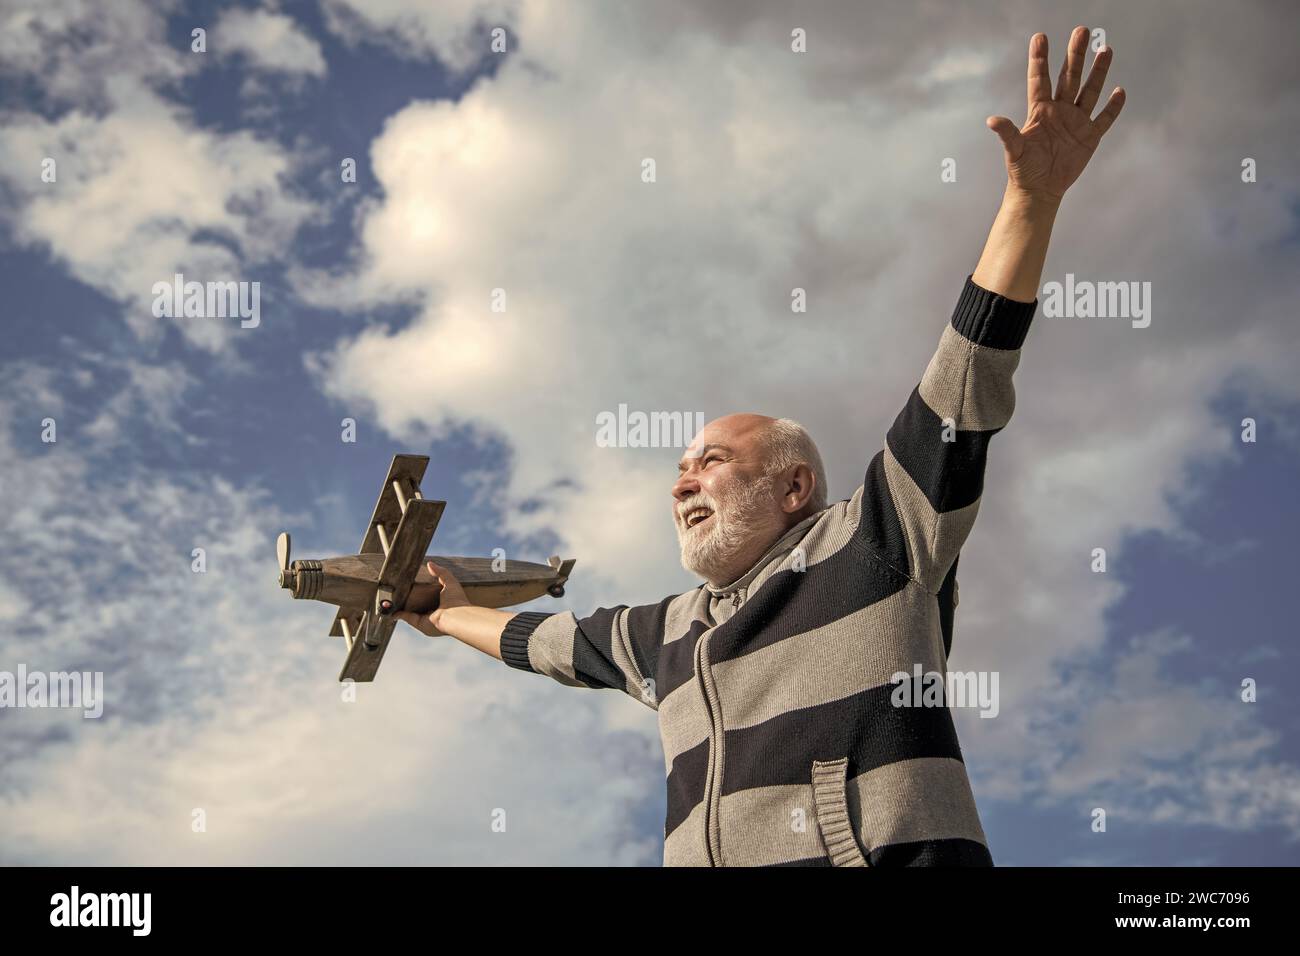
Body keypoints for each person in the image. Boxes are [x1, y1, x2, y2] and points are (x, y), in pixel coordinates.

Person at [397, 26, 1126, 866]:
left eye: (711, 462)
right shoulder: (666, 635)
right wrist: (447, 613)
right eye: (677, 471)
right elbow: (545, 643)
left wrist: (1030, 204)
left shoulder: (878, 543)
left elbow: (963, 382)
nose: (681, 485)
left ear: (793, 488)